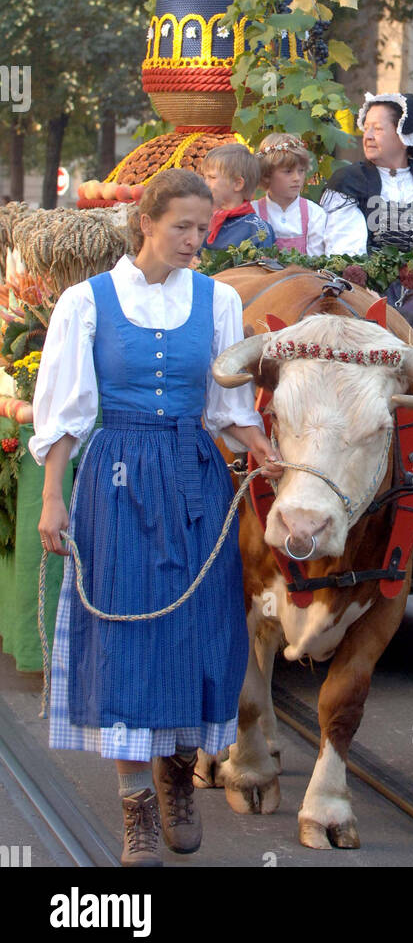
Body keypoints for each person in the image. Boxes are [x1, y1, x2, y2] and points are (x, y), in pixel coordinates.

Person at [33, 169, 284, 867]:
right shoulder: (87, 303)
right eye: (183, 228)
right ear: (145, 221)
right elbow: (65, 413)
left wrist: (259, 445)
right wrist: (54, 496)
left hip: (194, 478)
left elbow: (229, 410)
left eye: (203, 230)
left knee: (197, 633)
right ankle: (136, 804)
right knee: (125, 636)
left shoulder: (218, 301)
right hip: (116, 479)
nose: (196, 243)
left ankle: (178, 774)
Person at [320, 92, 413, 261]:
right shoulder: (349, 182)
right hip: (360, 285)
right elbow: (345, 255)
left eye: (377, 129)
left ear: (403, 136)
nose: (368, 136)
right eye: (366, 127)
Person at [253, 133, 327, 258]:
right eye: (288, 171)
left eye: (301, 171)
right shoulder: (253, 213)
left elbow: (316, 260)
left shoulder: (314, 214)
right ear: (266, 174)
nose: (297, 178)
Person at [198, 143, 275, 253]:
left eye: (212, 177)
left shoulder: (257, 230)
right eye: (205, 177)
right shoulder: (202, 221)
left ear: (237, 184)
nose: (206, 183)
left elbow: (261, 268)